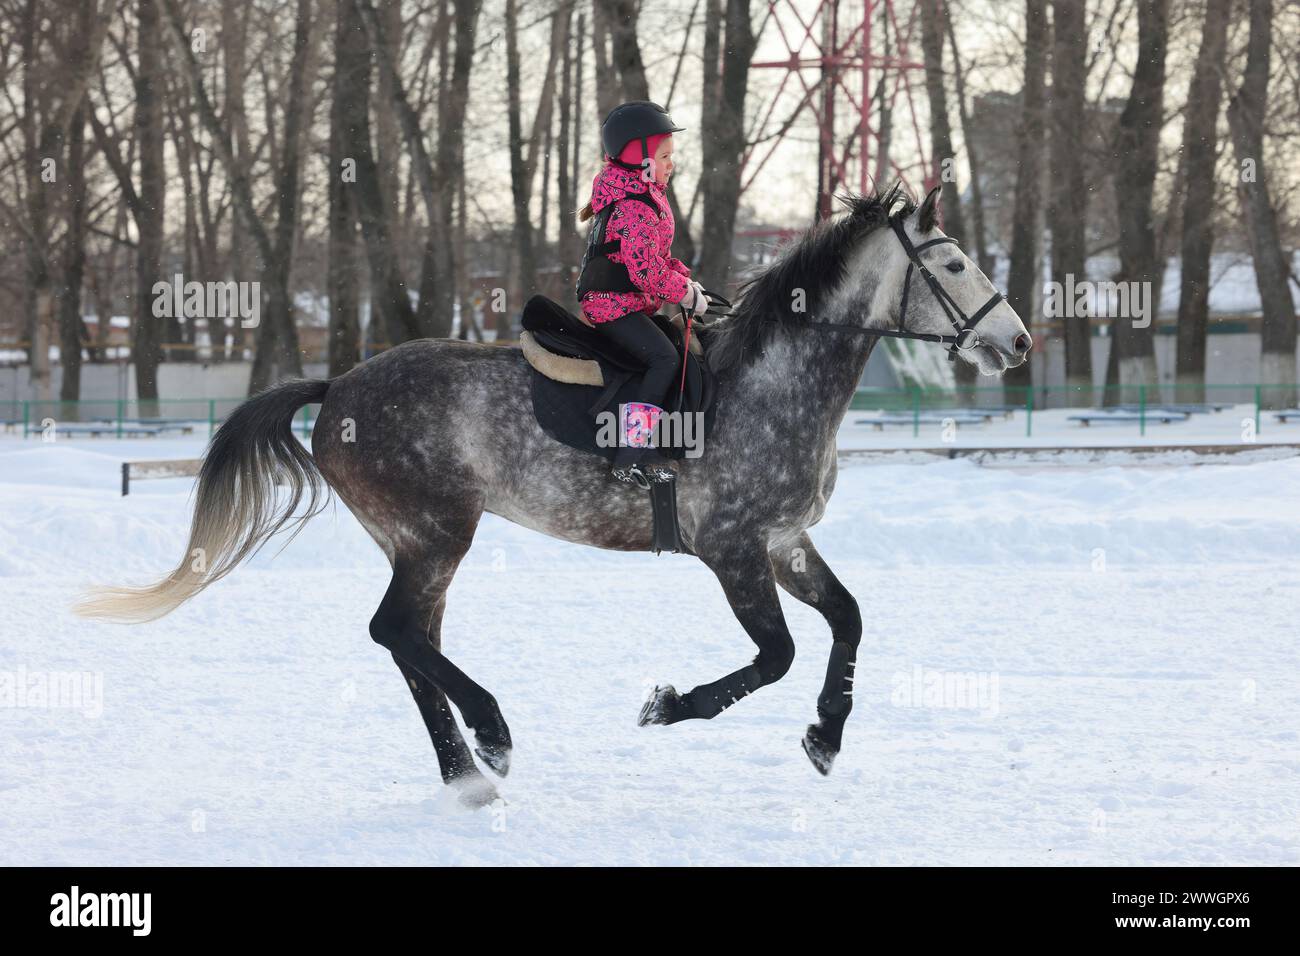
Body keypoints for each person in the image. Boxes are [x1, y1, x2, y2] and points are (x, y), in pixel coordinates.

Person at [574, 100, 709, 485]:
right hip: (611, 306)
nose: (671, 164)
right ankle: (630, 452)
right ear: (641, 158)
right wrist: (681, 292)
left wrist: (689, 283)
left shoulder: (642, 196)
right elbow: (644, 270)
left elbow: (657, 258)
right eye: (665, 156)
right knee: (663, 359)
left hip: (627, 302)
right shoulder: (633, 205)